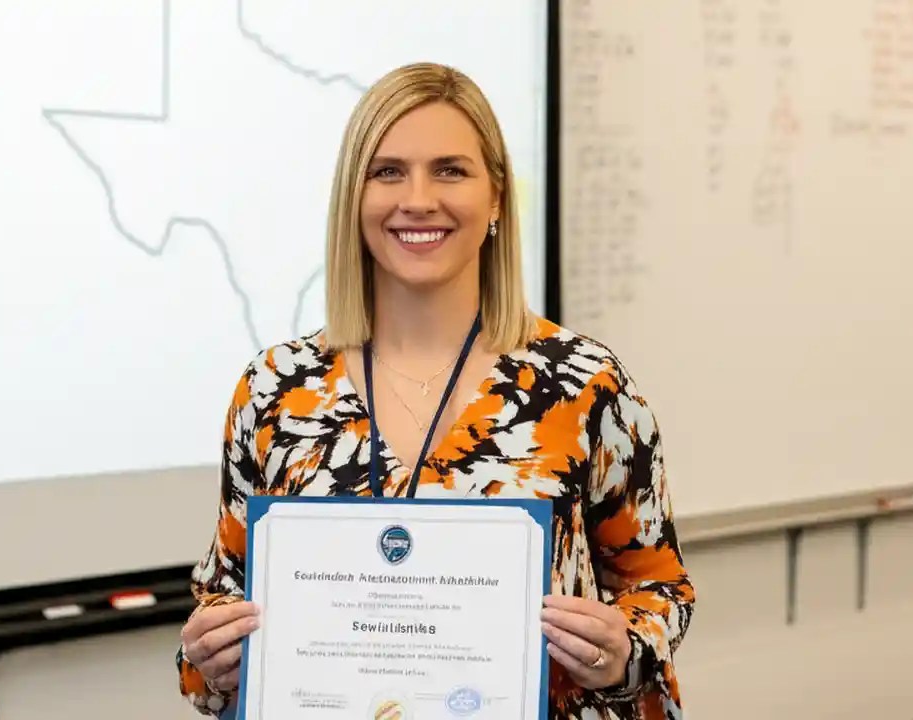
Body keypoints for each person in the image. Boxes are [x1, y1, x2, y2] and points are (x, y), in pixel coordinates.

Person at [176, 62, 695, 719]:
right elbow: (222, 595)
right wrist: (209, 656)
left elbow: (659, 586)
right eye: (387, 171)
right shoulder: (276, 390)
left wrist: (626, 650)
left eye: (450, 170)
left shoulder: (583, 384)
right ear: (353, 197)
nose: (418, 198)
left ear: (497, 196)